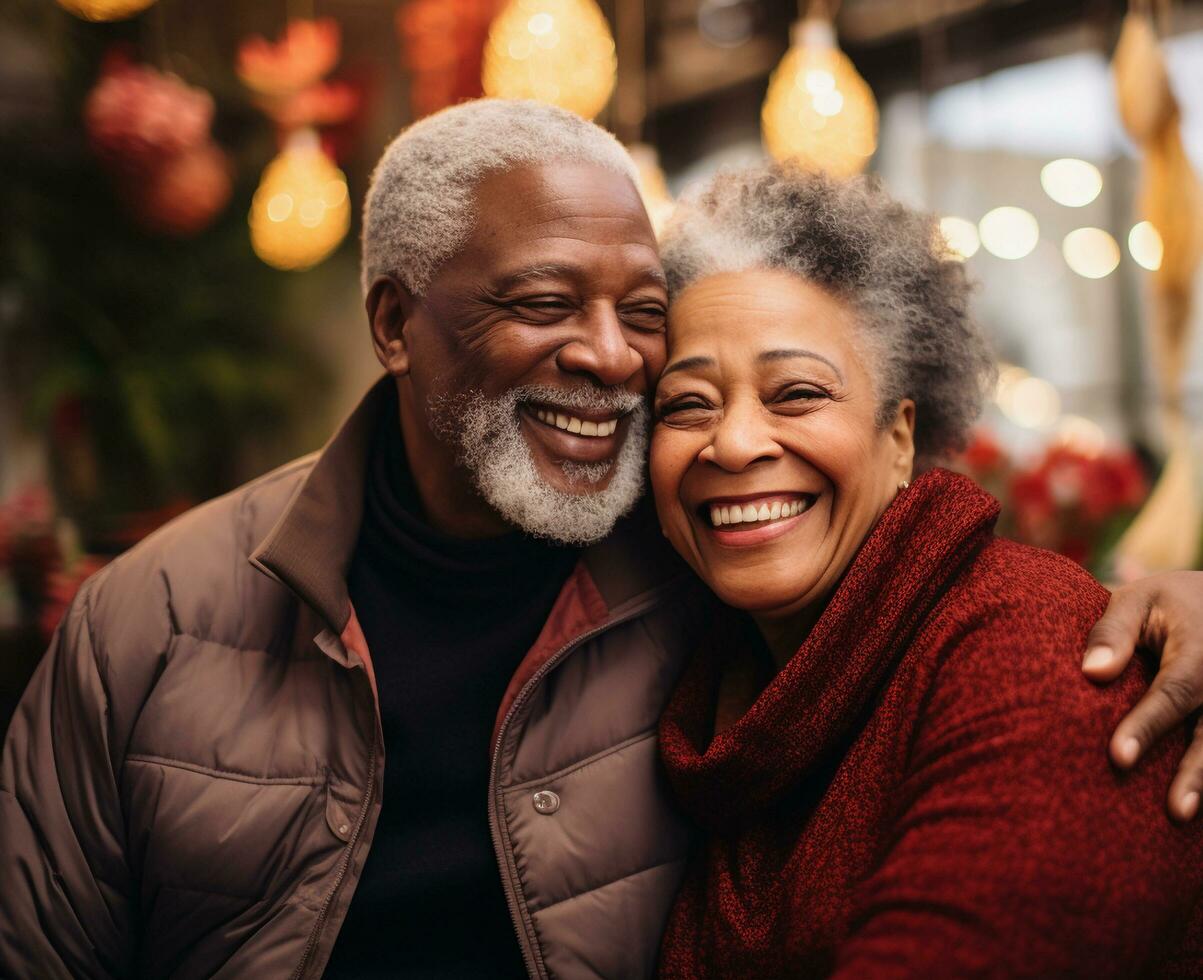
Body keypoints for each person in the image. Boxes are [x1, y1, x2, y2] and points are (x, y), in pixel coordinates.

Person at [0, 100, 1199, 980]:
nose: (615, 359)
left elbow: (979, 629)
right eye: (541, 301)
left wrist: (1171, 603)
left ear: (903, 430)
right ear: (393, 322)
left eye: (640, 317)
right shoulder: (155, 613)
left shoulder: (731, 581)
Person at [649, 165, 1203, 978]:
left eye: (796, 393)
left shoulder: (1042, 648)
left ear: (900, 436)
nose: (732, 444)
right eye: (686, 403)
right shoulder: (697, 680)